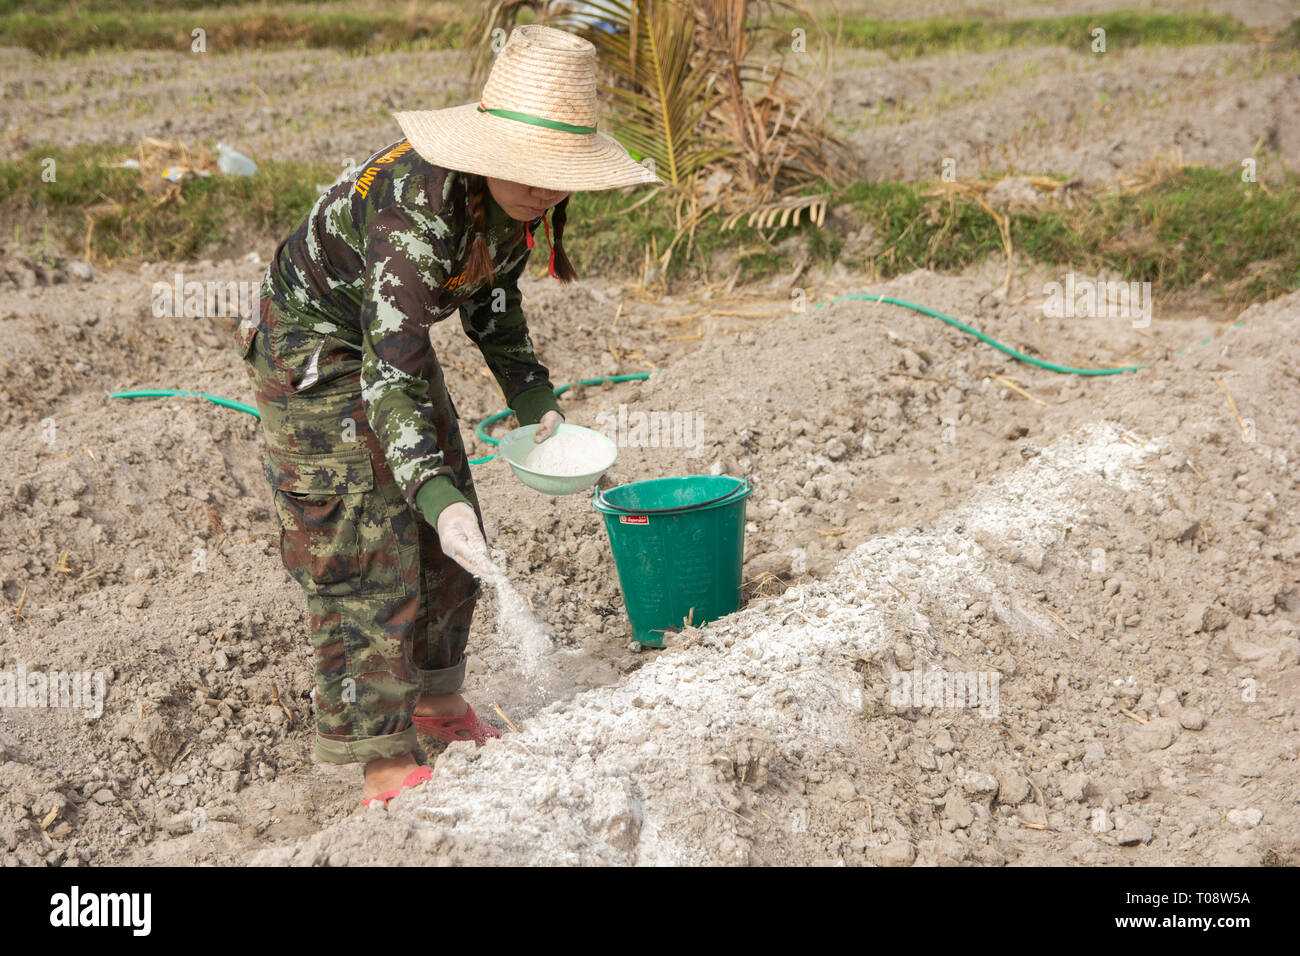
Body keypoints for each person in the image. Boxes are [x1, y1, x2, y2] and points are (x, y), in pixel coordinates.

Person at [232, 24, 663, 807]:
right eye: (528, 171)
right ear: (490, 149)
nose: (541, 189)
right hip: (315, 350)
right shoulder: (413, 215)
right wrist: (427, 492)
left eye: (556, 175)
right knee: (366, 541)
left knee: (453, 528)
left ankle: (434, 698)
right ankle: (383, 758)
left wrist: (537, 407)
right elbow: (388, 375)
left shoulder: (516, 207)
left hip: (385, 341)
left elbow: (494, 306)